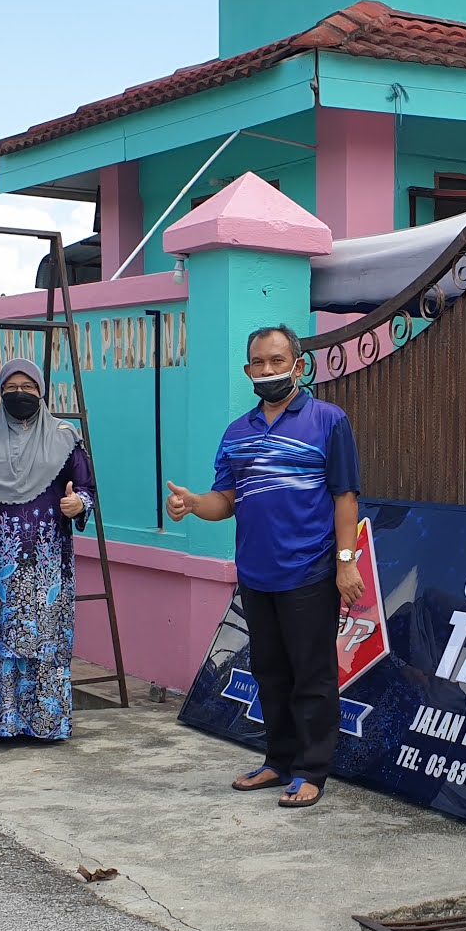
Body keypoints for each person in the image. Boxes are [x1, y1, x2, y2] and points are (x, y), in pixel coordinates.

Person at [166, 325, 362, 810]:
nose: (269, 370)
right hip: (256, 574)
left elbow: (345, 497)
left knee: (312, 675)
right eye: (260, 363)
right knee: (269, 673)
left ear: (298, 365)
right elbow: (224, 501)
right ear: (248, 370)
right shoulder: (237, 433)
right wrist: (192, 505)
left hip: (311, 573)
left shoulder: (328, 421)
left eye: (278, 360)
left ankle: (312, 770)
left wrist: (345, 563)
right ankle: (277, 761)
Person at [0, 360, 95, 743]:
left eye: (29, 387)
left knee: (42, 639)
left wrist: (78, 505)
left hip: (43, 561)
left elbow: (86, 488)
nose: (20, 394)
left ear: (42, 392)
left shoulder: (65, 436)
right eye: (11, 386)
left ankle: (45, 725)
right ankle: (0, 726)